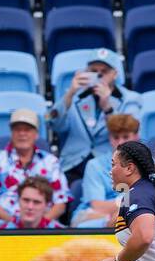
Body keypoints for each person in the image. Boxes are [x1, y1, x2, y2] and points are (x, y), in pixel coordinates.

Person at [49, 51, 141, 182]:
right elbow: (55, 125)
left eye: (104, 71)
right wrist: (70, 93)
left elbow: (130, 132)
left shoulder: (130, 99)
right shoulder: (74, 97)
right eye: (94, 71)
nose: (99, 75)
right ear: (86, 72)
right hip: (73, 163)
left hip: (110, 163)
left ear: (114, 74)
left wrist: (108, 108)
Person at [0, 109, 70, 227]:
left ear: (36, 134)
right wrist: (14, 223)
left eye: (27, 130)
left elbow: (61, 203)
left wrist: (41, 223)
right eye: (17, 130)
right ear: (11, 133)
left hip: (44, 223)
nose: (22, 134)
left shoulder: (51, 162)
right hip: (6, 222)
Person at [71, 114, 139, 227]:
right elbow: (98, 206)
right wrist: (128, 204)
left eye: (126, 137)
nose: (121, 143)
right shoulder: (95, 165)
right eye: (116, 137)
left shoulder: (151, 164)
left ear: (136, 136)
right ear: (110, 138)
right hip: (96, 217)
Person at [0, 178, 65, 230]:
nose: (30, 207)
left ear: (47, 205)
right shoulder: (3, 233)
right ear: (19, 201)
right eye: (26, 200)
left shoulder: (59, 234)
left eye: (37, 202)